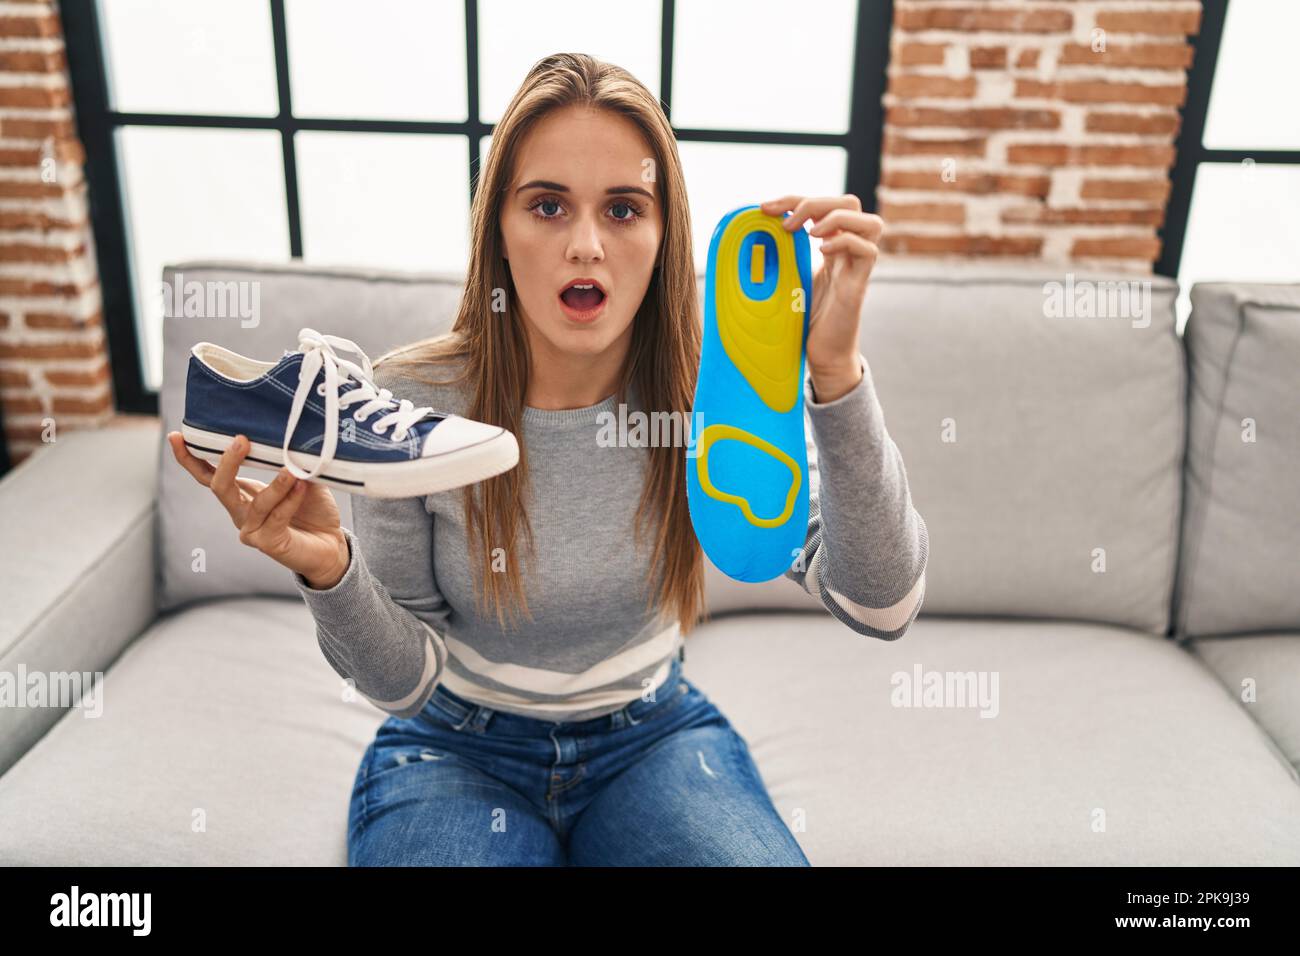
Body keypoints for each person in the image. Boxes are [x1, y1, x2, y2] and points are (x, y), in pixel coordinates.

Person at [167, 52, 928, 866]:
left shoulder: (717, 394)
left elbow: (880, 604)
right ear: (498, 226)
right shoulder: (411, 405)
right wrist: (330, 571)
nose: (587, 245)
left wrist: (835, 376)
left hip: (654, 737)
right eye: (549, 206)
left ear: (666, 235)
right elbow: (402, 684)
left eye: (625, 209)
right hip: (454, 750)